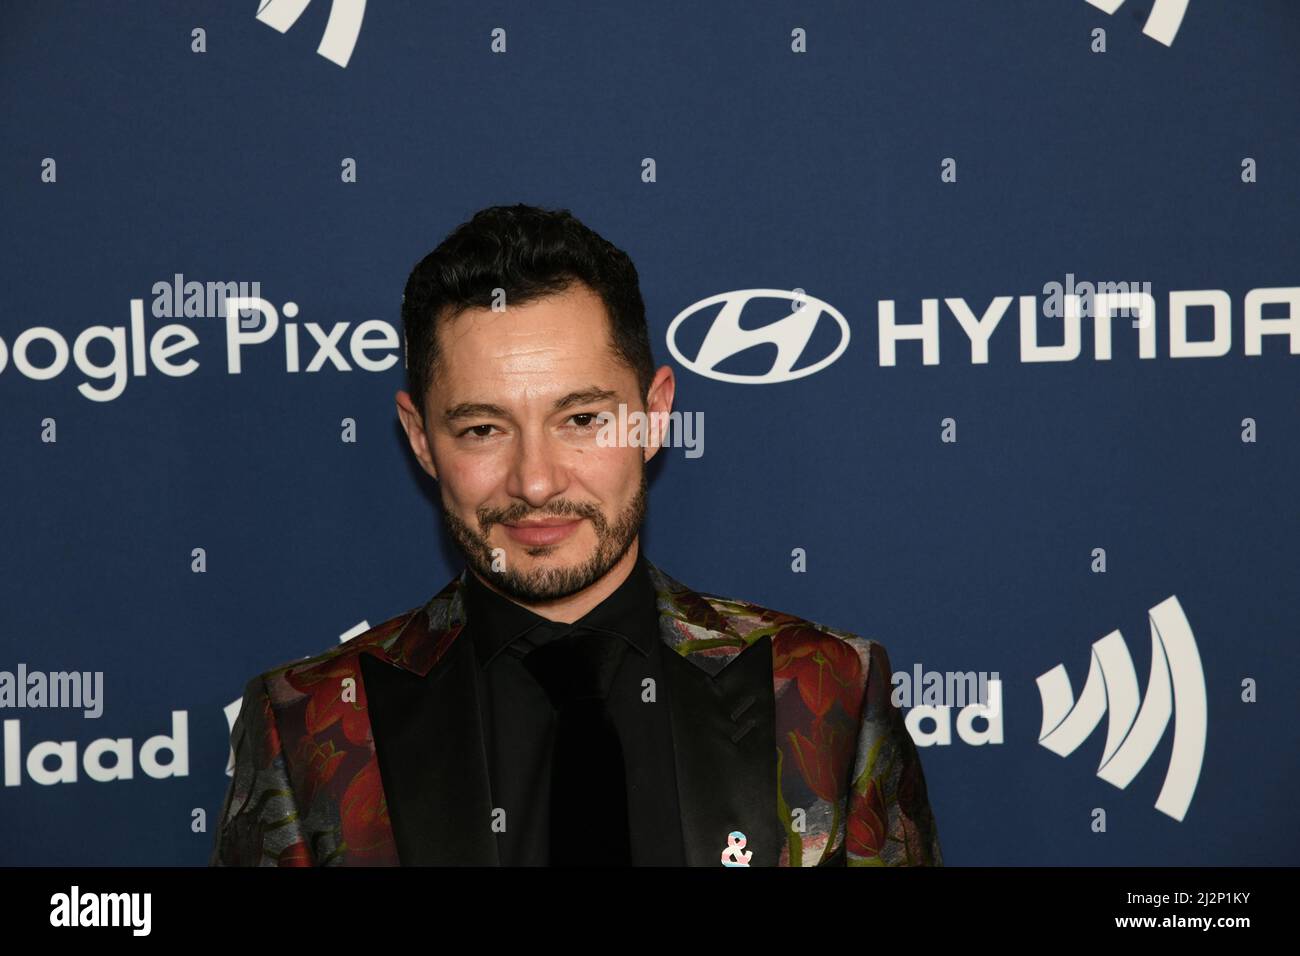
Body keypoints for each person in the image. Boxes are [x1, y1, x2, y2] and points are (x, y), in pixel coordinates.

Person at [210, 204, 942, 867]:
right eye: (482, 429)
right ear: (421, 440)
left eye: (583, 419)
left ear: (655, 415)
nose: (535, 481)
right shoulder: (309, 722)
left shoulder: (826, 689)